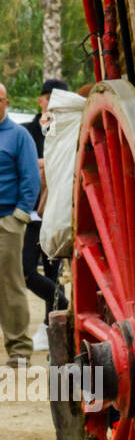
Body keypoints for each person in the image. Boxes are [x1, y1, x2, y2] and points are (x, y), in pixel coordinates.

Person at [23, 79, 68, 339]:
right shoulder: (26, 131)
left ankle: (50, 323)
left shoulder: (64, 130)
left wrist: (42, 165)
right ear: (40, 100)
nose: (50, 102)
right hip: (33, 212)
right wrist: (43, 164)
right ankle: (63, 304)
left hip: (56, 208)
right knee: (27, 270)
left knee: (53, 270)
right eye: (47, 97)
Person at [0, 82, 41, 369]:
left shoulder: (18, 136)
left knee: (9, 285)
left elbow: (31, 178)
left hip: (6, 222)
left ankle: (19, 350)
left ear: (5, 102)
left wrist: (19, 216)